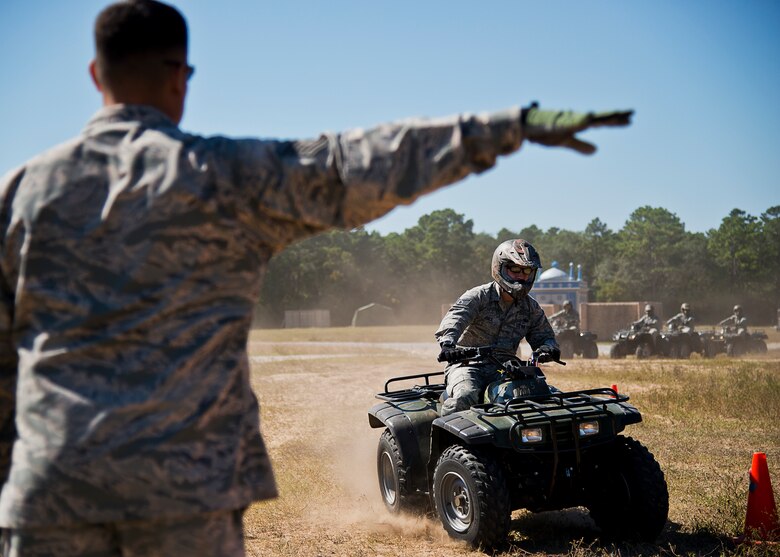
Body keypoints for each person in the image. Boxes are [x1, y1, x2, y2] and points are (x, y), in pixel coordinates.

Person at [0, 1, 632, 555]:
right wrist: (510, 126)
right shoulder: (223, 177)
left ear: (94, 75)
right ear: (180, 77)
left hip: (49, 487)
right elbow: (356, 162)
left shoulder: (21, 195)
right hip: (184, 493)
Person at [435, 239, 560, 416]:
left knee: (547, 396)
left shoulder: (530, 307)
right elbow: (455, 318)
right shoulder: (478, 296)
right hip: (468, 365)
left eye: (527, 271)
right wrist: (448, 344)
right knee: (466, 395)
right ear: (499, 268)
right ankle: (448, 441)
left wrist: (548, 349)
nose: (521, 276)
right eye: (515, 269)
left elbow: (544, 336)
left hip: (507, 368)